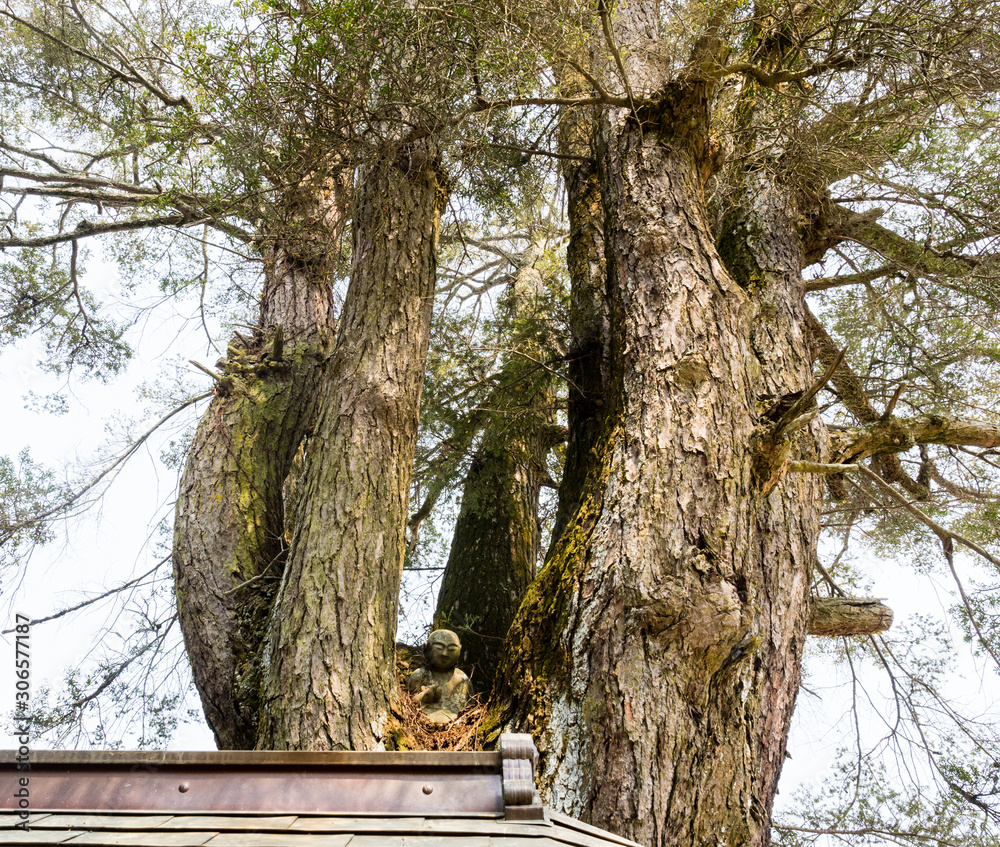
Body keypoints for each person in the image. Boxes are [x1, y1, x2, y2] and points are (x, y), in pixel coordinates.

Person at [407, 629, 473, 723]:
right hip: (424, 722)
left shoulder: (462, 678)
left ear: (459, 651)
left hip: (456, 724)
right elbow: (410, 704)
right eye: (439, 647)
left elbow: (470, 708)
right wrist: (424, 697)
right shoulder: (420, 675)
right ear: (427, 649)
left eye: (452, 649)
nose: (445, 654)